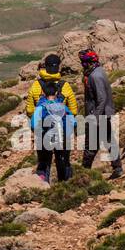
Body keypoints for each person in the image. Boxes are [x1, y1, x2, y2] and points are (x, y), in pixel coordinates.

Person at [28, 54, 77, 183]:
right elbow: (74, 110)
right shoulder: (65, 85)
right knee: (63, 160)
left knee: (44, 161)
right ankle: (65, 186)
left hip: (43, 133)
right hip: (62, 132)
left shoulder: (36, 86)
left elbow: (29, 110)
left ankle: (43, 186)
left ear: (45, 66)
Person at [78, 48, 123, 179]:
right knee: (109, 141)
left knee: (91, 146)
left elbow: (101, 98)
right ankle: (118, 168)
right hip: (104, 114)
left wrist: (95, 118)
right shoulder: (98, 72)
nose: (82, 65)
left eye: (83, 62)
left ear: (87, 63)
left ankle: (83, 175)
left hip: (98, 115)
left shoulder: (94, 76)